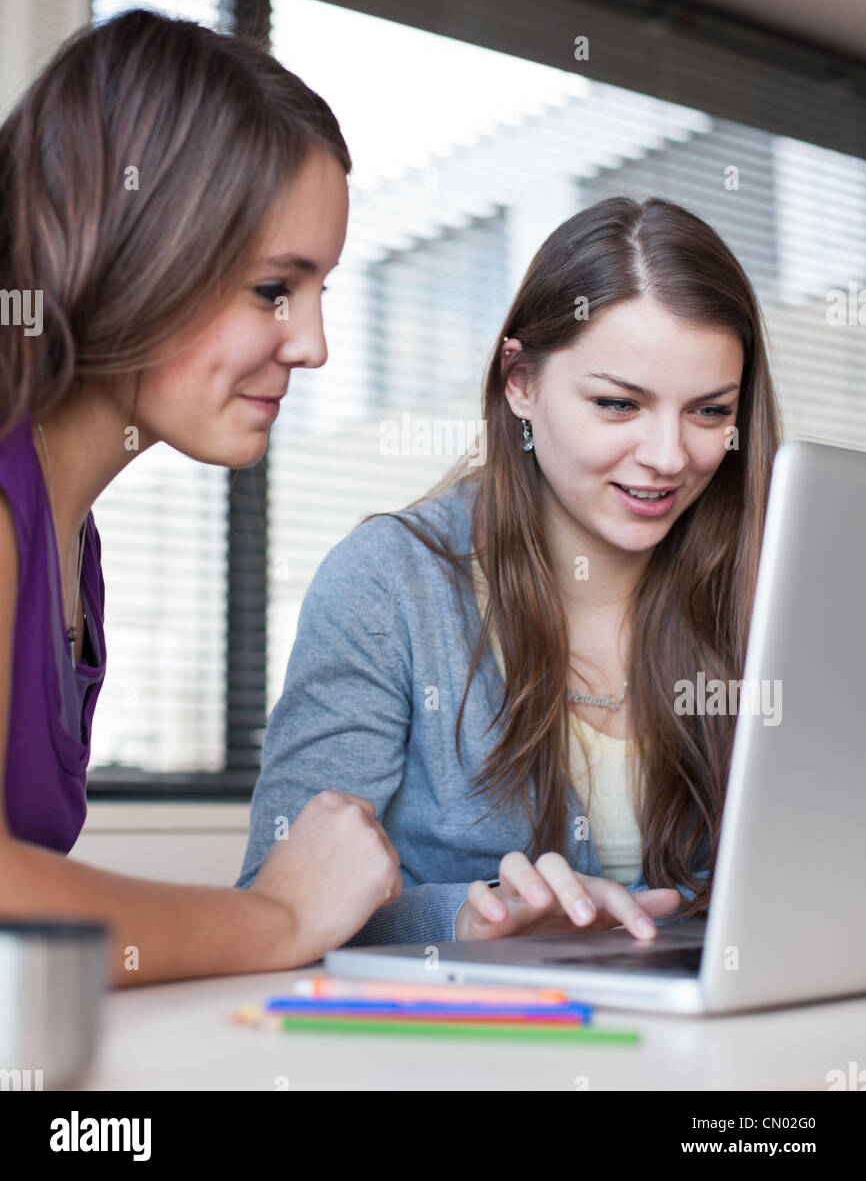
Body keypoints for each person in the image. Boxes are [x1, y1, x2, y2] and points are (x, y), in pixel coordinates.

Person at [237, 195, 782, 945]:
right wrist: (463, 916)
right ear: (520, 382)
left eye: (711, 412)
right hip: (476, 1049)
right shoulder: (389, 586)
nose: (669, 456)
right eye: (619, 404)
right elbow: (272, 904)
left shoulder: (773, 586)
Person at [0, 8, 403, 987]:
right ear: (137, 249)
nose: (311, 343)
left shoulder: (69, 538)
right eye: (274, 287)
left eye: (318, 292)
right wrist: (276, 916)